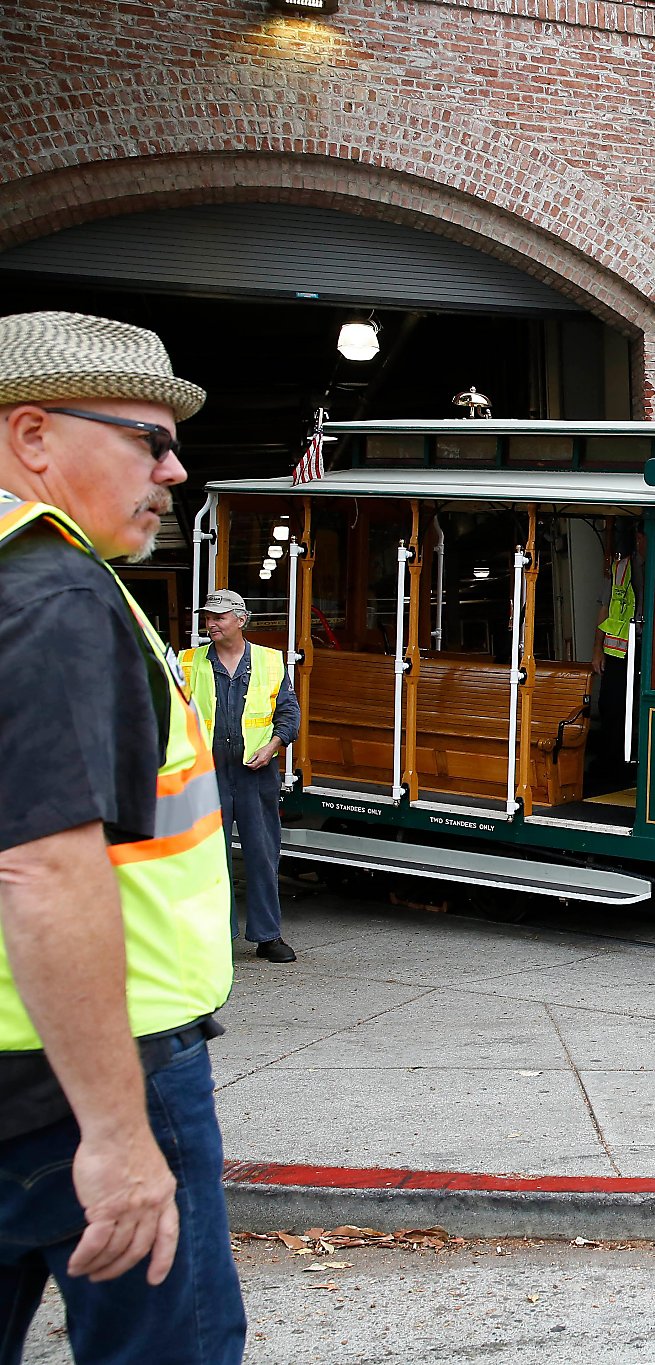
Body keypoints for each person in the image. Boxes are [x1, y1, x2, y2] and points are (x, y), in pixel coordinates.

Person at [0, 312, 246, 1361]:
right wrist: (116, 1135)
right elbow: (46, 869)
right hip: (86, 1073)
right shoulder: (51, 591)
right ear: (35, 435)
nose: (175, 469)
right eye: (149, 438)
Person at [180, 588, 299, 963]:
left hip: (255, 773)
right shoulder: (187, 663)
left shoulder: (269, 662)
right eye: (208, 617)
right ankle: (217, 938)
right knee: (210, 858)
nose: (210, 624)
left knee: (262, 854)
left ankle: (268, 936)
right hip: (207, 775)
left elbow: (289, 714)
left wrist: (274, 745)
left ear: (241, 620)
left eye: (219, 617)